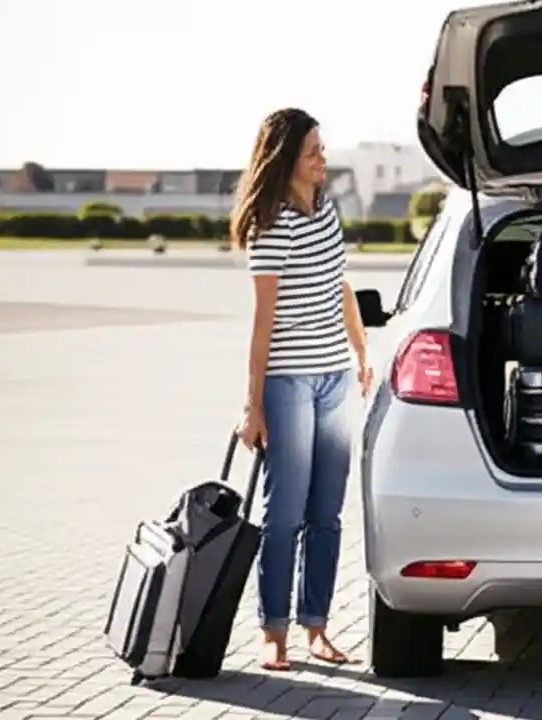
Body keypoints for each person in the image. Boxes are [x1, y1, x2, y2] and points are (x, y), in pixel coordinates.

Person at [229, 108, 374, 672]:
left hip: (335, 379)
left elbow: (340, 286)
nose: (323, 158)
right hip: (288, 384)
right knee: (284, 513)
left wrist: (360, 352)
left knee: (327, 515)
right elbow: (262, 322)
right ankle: (274, 632)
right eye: (313, 150)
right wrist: (253, 403)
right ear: (287, 158)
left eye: (322, 148)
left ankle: (317, 626)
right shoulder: (270, 226)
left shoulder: (328, 211)